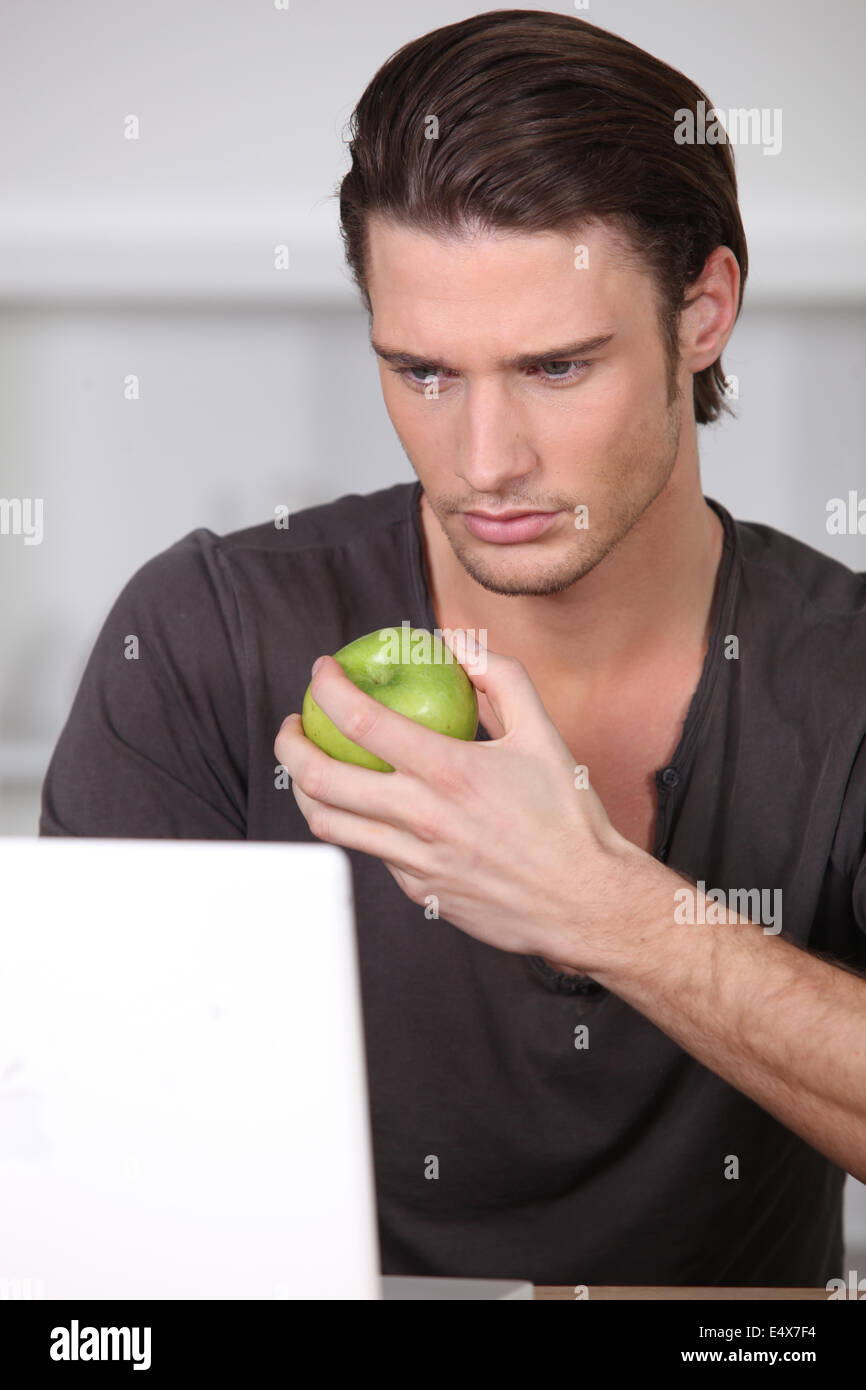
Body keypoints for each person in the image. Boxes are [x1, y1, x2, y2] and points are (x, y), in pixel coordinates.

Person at [40, 10, 866, 1287]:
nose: (483, 463)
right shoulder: (202, 639)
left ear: (701, 312)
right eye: (422, 373)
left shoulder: (844, 676)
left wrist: (599, 905)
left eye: (554, 365)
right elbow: (90, 1193)